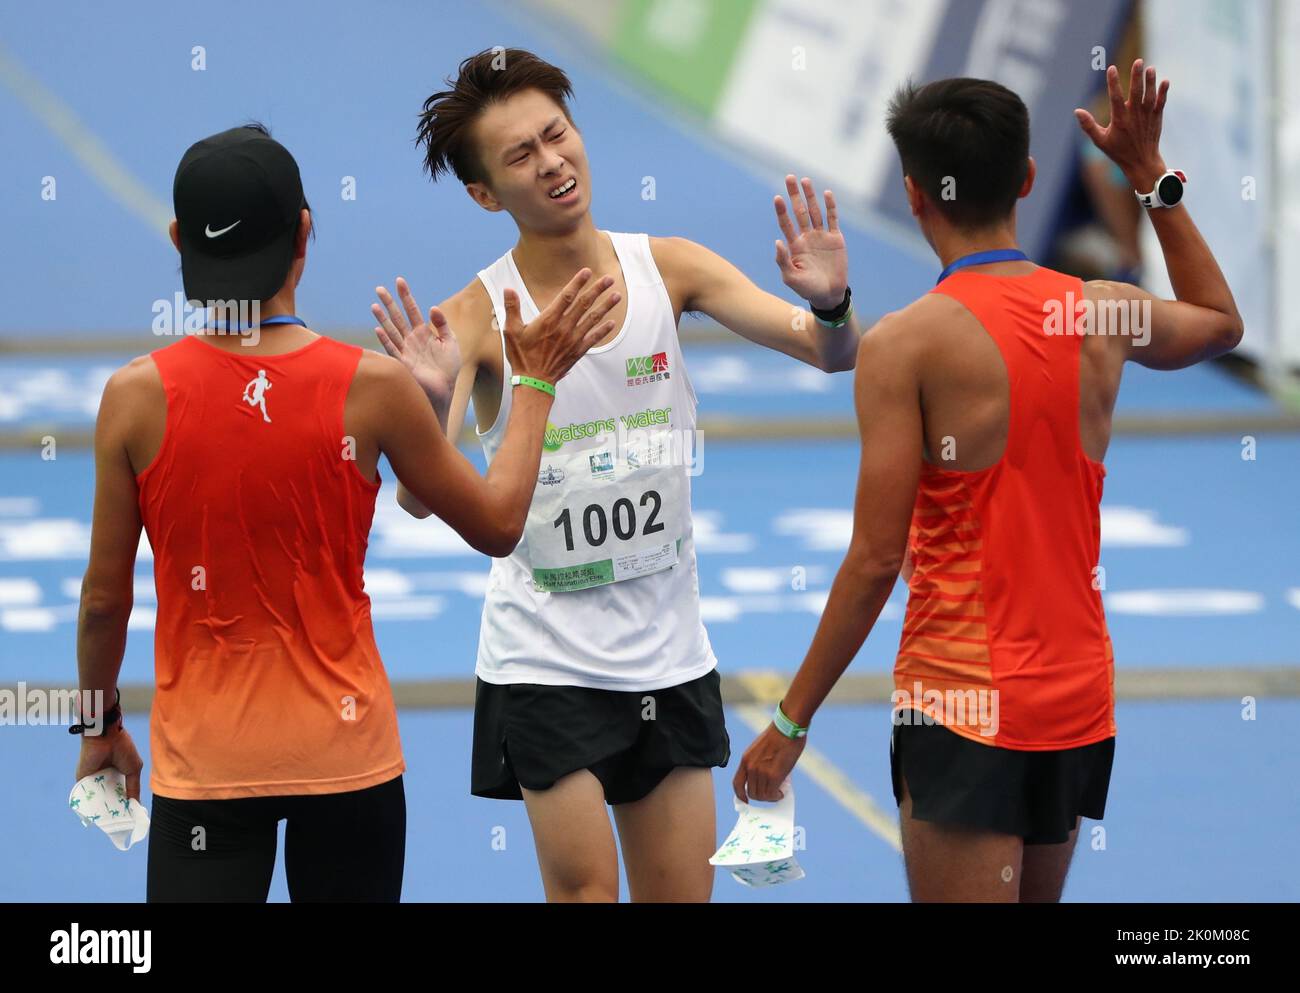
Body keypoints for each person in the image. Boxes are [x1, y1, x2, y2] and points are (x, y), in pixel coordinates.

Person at [733, 61, 1242, 902]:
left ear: (914, 196)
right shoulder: (1100, 310)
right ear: (1029, 179)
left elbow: (872, 560)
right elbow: (1221, 322)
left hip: (960, 698)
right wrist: (1153, 178)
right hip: (1078, 700)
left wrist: (791, 720)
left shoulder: (906, 343)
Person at [72, 123, 618, 902]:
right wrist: (532, 383)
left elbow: (103, 601)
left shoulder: (133, 397)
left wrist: (98, 725)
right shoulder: (373, 388)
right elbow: (498, 524)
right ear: (303, 232)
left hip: (206, 771)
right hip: (348, 761)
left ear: (178, 240)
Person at [372, 47, 862, 902]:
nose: (552, 162)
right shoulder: (473, 318)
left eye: (556, 136)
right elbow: (419, 499)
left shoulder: (670, 268)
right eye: (519, 157)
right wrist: (434, 395)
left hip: (670, 655)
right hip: (544, 659)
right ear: (486, 194)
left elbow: (830, 352)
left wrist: (830, 301)